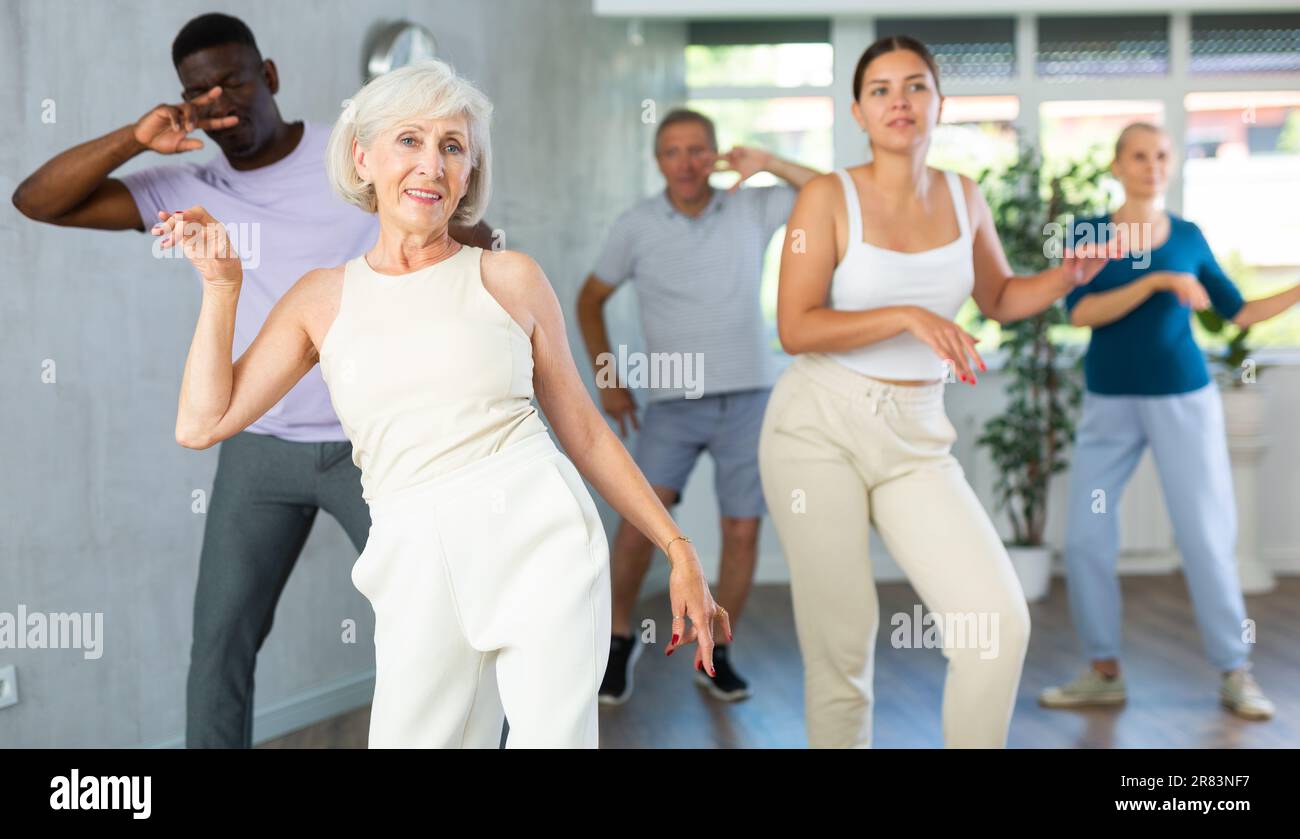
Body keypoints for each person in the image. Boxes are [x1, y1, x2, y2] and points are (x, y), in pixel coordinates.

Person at [153, 58, 727, 748]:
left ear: (468, 173)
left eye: (453, 146)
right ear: (363, 156)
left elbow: (585, 430)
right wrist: (222, 289)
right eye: (410, 140)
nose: (431, 164)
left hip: (539, 535)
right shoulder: (319, 299)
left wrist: (678, 546)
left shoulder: (509, 277)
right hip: (411, 556)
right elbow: (200, 422)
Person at [11, 13, 493, 748]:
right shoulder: (187, 186)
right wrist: (137, 138)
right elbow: (36, 200)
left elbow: (460, 232)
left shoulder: (355, 160)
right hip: (259, 445)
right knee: (219, 648)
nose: (218, 101)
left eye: (232, 79)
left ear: (269, 76)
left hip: (376, 443)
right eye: (197, 92)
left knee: (449, 626)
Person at [758, 35, 1116, 748]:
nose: (900, 101)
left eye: (916, 86)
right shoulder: (828, 196)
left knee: (997, 626)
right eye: (882, 89)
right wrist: (907, 315)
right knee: (843, 642)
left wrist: (1065, 279)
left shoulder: (964, 194)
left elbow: (1001, 294)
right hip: (817, 429)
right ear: (858, 111)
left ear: (940, 103)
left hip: (917, 437)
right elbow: (796, 327)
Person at [1040, 122, 1300, 721]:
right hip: (1110, 403)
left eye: (1161, 155)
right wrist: (1158, 279)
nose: (1151, 165)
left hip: (1183, 400)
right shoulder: (1087, 234)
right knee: (1084, 537)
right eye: (1138, 155)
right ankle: (1102, 669)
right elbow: (1081, 312)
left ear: (1171, 163)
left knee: (1206, 536)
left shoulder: (1188, 236)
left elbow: (1238, 315)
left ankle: (1237, 671)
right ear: (1116, 164)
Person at [577, 109, 819, 704]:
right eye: (671, 151)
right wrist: (608, 378)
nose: (685, 163)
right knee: (640, 529)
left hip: (749, 397)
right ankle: (617, 641)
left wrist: (770, 163)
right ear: (658, 160)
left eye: (696, 150)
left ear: (713, 155)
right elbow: (590, 299)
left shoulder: (751, 207)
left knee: (742, 529)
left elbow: (827, 193)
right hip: (671, 403)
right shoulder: (636, 225)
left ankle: (718, 652)